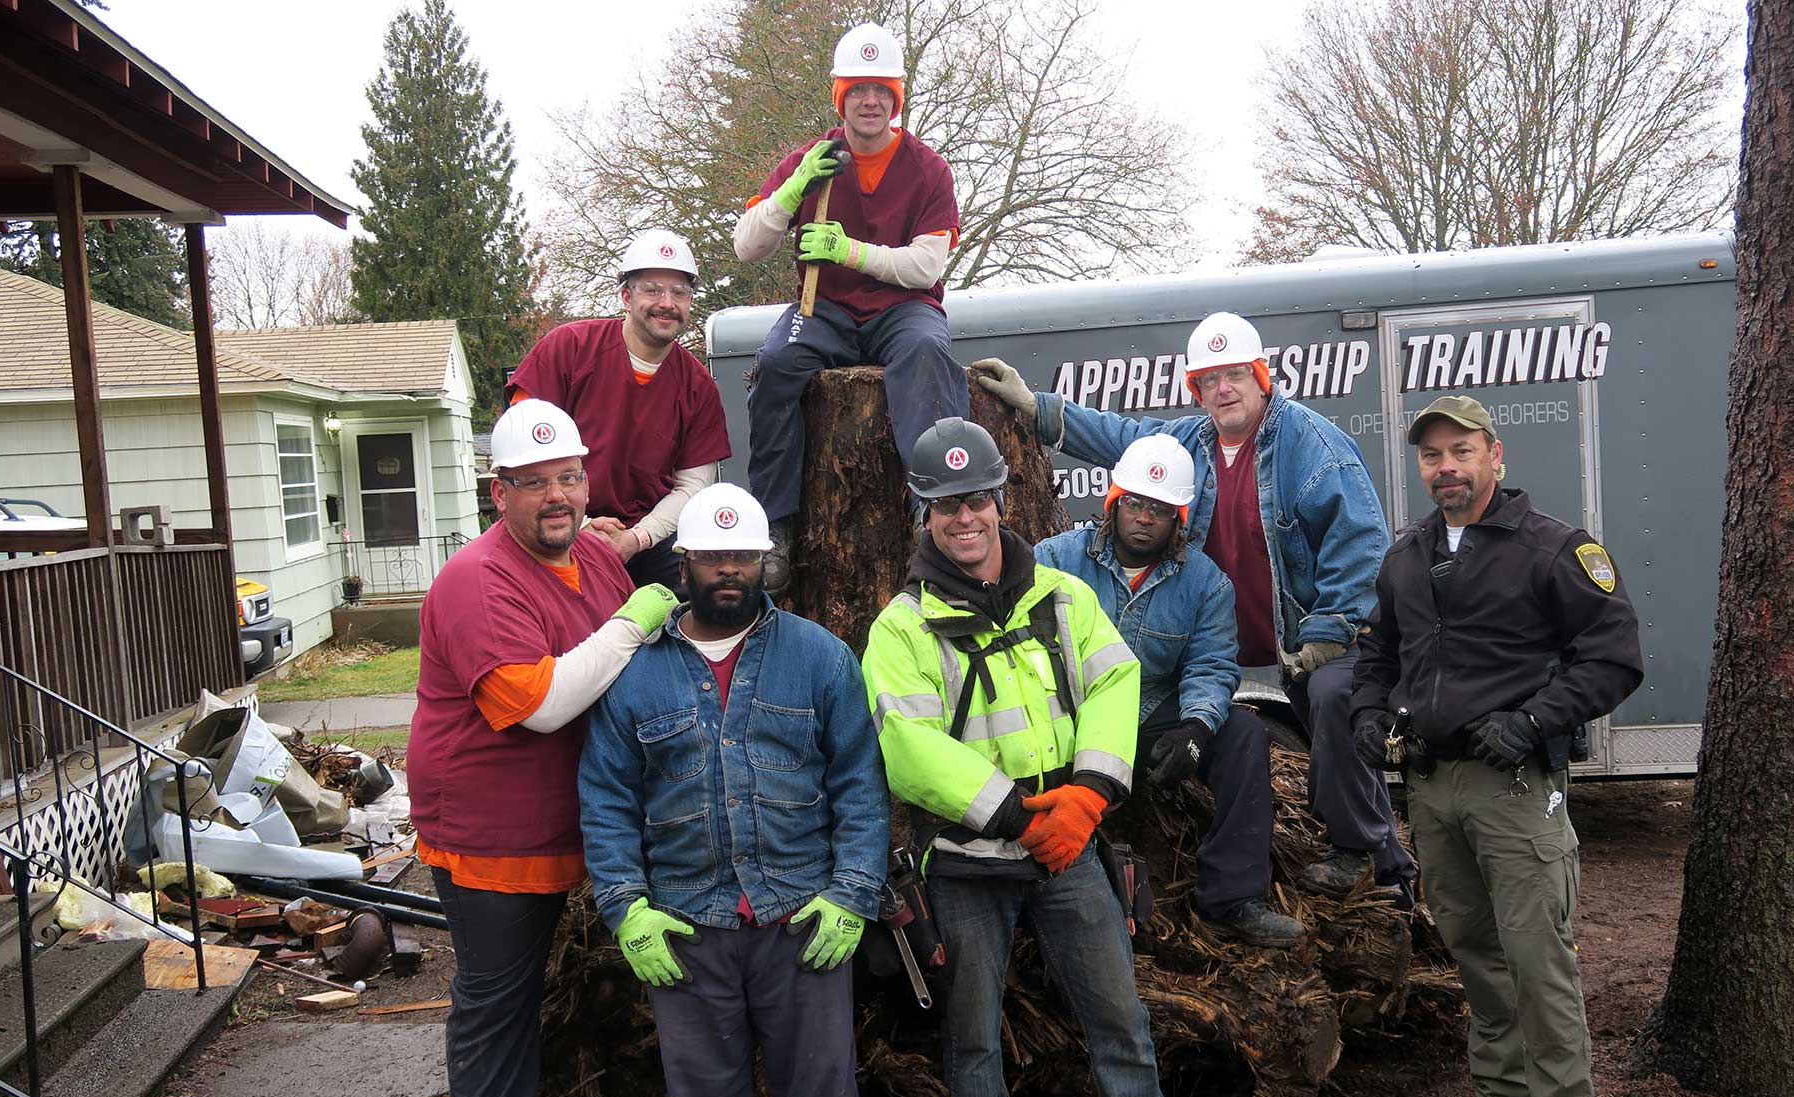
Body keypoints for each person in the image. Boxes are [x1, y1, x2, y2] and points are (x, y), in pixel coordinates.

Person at [973, 313, 1412, 897]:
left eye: (1235, 374)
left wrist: (1330, 629)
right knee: (1284, 729)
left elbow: (1358, 542)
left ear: (1262, 376)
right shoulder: (1191, 443)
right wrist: (1038, 408)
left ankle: (1368, 858)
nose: (1223, 388)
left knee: (1335, 701)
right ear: (1196, 389)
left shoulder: (1313, 445)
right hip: (1222, 629)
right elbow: (1122, 440)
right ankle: (1382, 859)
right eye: (1209, 379)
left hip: (1308, 634)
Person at [862, 418, 1180, 1097]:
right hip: (971, 863)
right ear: (923, 512)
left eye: (976, 500)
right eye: (946, 505)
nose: (964, 518)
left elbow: (1115, 681)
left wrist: (1091, 795)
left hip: (1070, 846)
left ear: (1001, 499)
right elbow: (907, 747)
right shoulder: (900, 629)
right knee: (971, 1041)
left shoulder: (1061, 597)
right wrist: (1019, 818)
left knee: (1120, 1022)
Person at [1349, 395, 1643, 1097]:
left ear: (1495, 455)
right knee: (1474, 949)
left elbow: (1613, 658)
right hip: (1434, 787)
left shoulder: (1554, 550)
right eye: (1431, 456)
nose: (1446, 468)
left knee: (1537, 955)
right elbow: (1379, 655)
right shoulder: (1405, 557)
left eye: (1460, 451)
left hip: (1515, 788)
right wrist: (1370, 716)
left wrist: (1534, 718)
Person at [578, 481, 889, 1097]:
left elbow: (861, 787)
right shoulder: (634, 672)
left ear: (765, 563)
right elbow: (606, 799)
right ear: (682, 566)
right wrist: (626, 908)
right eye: (713, 558)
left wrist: (852, 894)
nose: (729, 572)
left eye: (743, 558)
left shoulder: (820, 658)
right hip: (687, 929)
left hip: (803, 922)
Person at [406, 400, 679, 1097]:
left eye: (570, 477)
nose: (558, 496)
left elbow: (626, 679)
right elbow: (544, 704)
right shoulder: (474, 583)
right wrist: (632, 625)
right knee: (498, 1007)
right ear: (500, 492)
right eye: (535, 483)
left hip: (588, 821)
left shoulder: (596, 560)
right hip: (490, 835)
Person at [1034, 434, 1302, 948]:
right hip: (1068, 716)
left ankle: (1233, 898)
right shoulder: (1055, 559)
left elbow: (1211, 664)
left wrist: (1197, 728)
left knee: (1244, 734)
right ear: (1113, 502)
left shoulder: (1205, 584)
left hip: (1149, 711)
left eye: (1159, 509)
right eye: (1133, 503)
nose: (1143, 518)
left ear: (1179, 518)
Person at [732, 21, 968, 593]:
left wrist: (849, 250)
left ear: (895, 98)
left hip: (903, 309)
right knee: (777, 365)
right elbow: (746, 246)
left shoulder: (928, 168)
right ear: (841, 96)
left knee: (926, 352)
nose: (870, 100)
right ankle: (777, 528)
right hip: (825, 309)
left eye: (881, 89)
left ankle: (932, 509)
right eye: (858, 89)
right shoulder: (811, 160)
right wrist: (791, 194)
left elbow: (926, 267)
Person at [506, 228, 732, 587]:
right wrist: (580, 527)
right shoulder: (569, 348)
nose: (667, 303)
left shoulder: (698, 386)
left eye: (679, 292)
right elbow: (519, 448)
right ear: (626, 296)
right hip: (555, 523)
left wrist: (634, 539)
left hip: (647, 538)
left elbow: (693, 487)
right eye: (652, 289)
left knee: (687, 620)